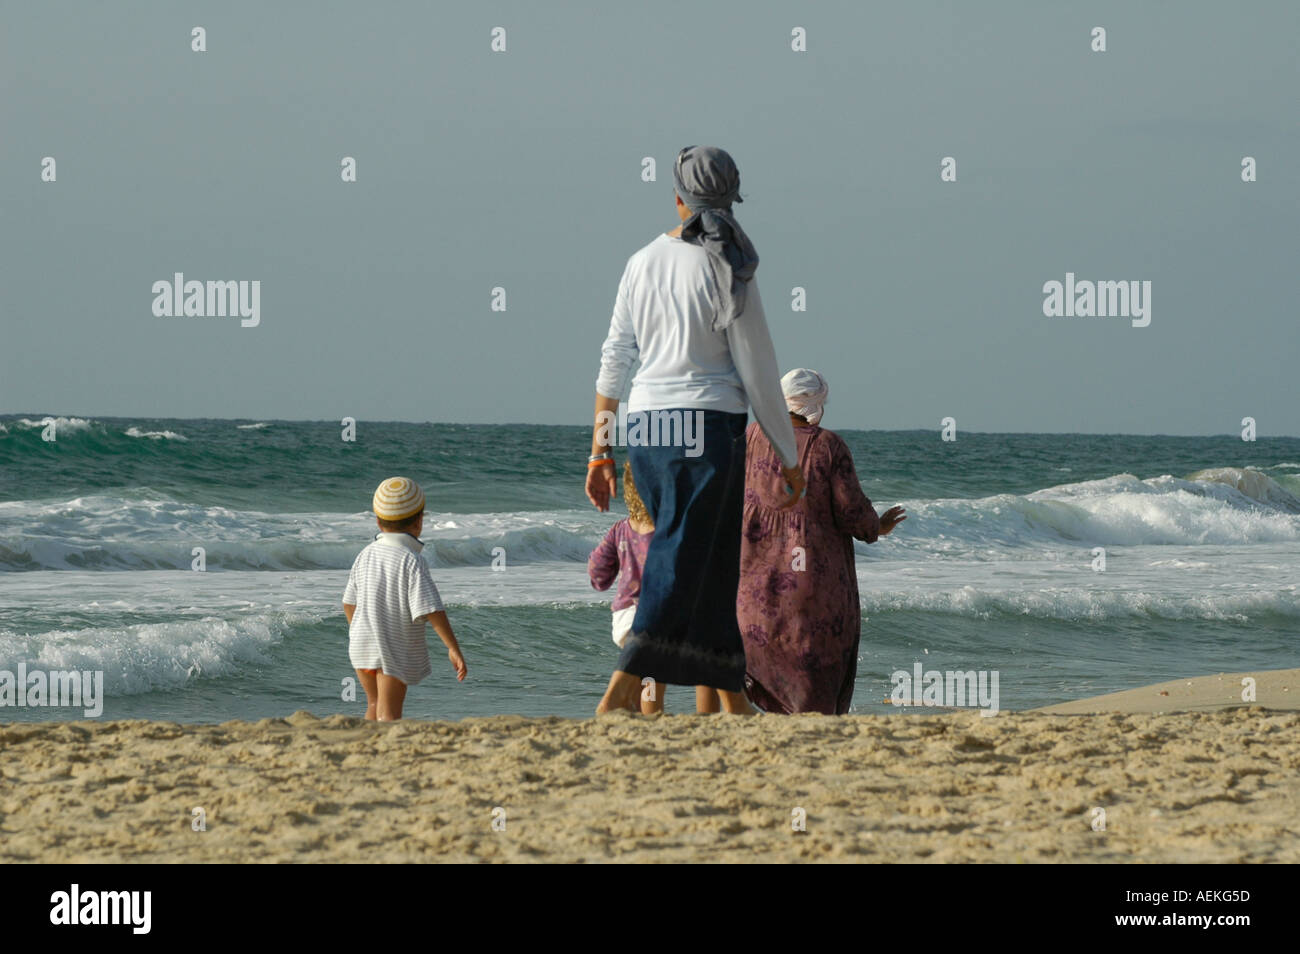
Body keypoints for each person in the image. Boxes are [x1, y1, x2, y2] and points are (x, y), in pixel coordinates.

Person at [586, 145, 805, 715]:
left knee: (704, 560)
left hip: (648, 427)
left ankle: (732, 700)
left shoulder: (641, 262)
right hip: (707, 428)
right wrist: (787, 452)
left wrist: (599, 452)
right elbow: (757, 365)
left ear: (678, 199)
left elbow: (615, 357)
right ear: (730, 201)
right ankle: (621, 692)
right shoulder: (729, 264)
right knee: (681, 556)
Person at [737, 369, 906, 714]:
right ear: (815, 404)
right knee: (811, 669)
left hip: (752, 582)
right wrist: (878, 526)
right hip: (809, 586)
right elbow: (851, 512)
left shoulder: (752, 436)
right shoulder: (828, 446)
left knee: (758, 655)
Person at [342, 477, 467, 721]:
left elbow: (348, 602)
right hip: (391, 647)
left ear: (378, 521)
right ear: (419, 522)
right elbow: (431, 608)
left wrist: (360, 630)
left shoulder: (365, 554)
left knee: (374, 703)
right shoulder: (412, 560)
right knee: (389, 713)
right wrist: (452, 647)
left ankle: (361, 747)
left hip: (361, 644)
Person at [587, 462, 663, 713]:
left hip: (622, 616)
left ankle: (631, 710)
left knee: (641, 676)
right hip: (652, 617)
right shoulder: (665, 531)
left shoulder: (620, 529)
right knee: (653, 678)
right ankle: (650, 716)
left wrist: (602, 580)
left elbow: (597, 567)